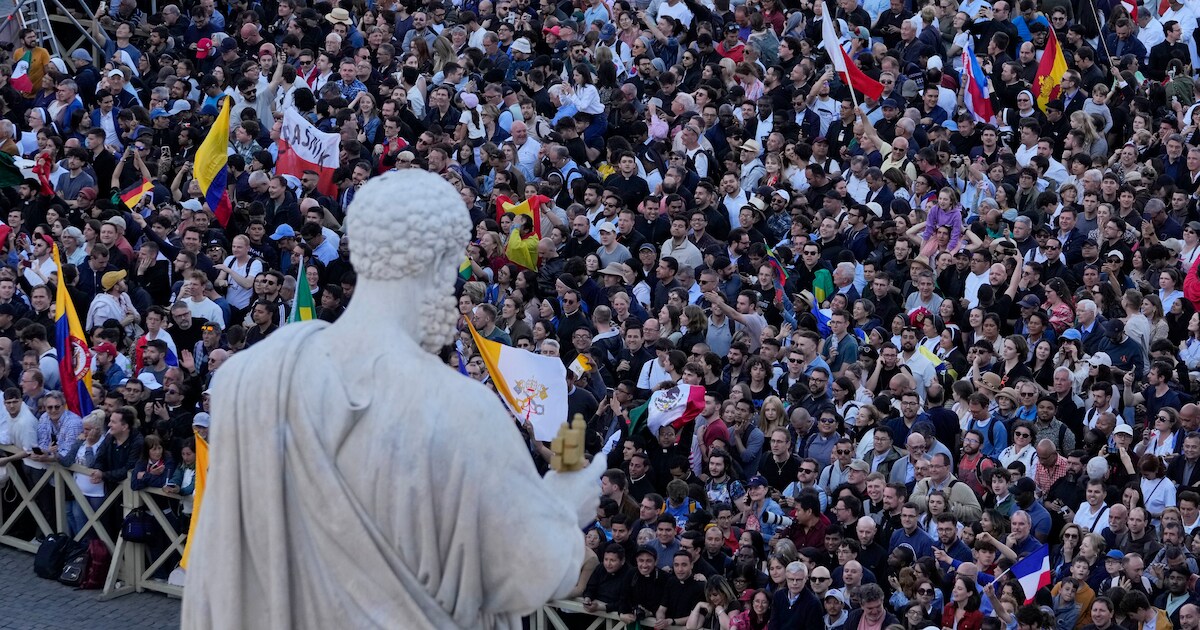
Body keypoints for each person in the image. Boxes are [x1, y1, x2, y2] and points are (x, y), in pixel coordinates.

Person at [181, 171, 605, 628]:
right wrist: (567, 501)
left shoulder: (250, 376)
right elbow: (522, 575)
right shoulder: (466, 410)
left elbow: (219, 562)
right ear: (440, 262)